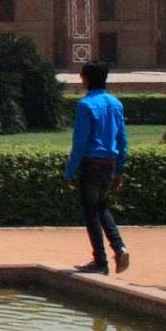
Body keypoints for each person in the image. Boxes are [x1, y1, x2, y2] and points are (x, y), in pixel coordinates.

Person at [65, 59, 130, 275]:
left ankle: (100, 261)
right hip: (109, 163)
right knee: (101, 206)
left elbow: (80, 143)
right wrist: (119, 169)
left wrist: (69, 174)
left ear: (87, 79)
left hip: (91, 163)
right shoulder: (115, 104)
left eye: (82, 76)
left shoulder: (85, 105)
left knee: (91, 211)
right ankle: (119, 247)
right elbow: (122, 140)